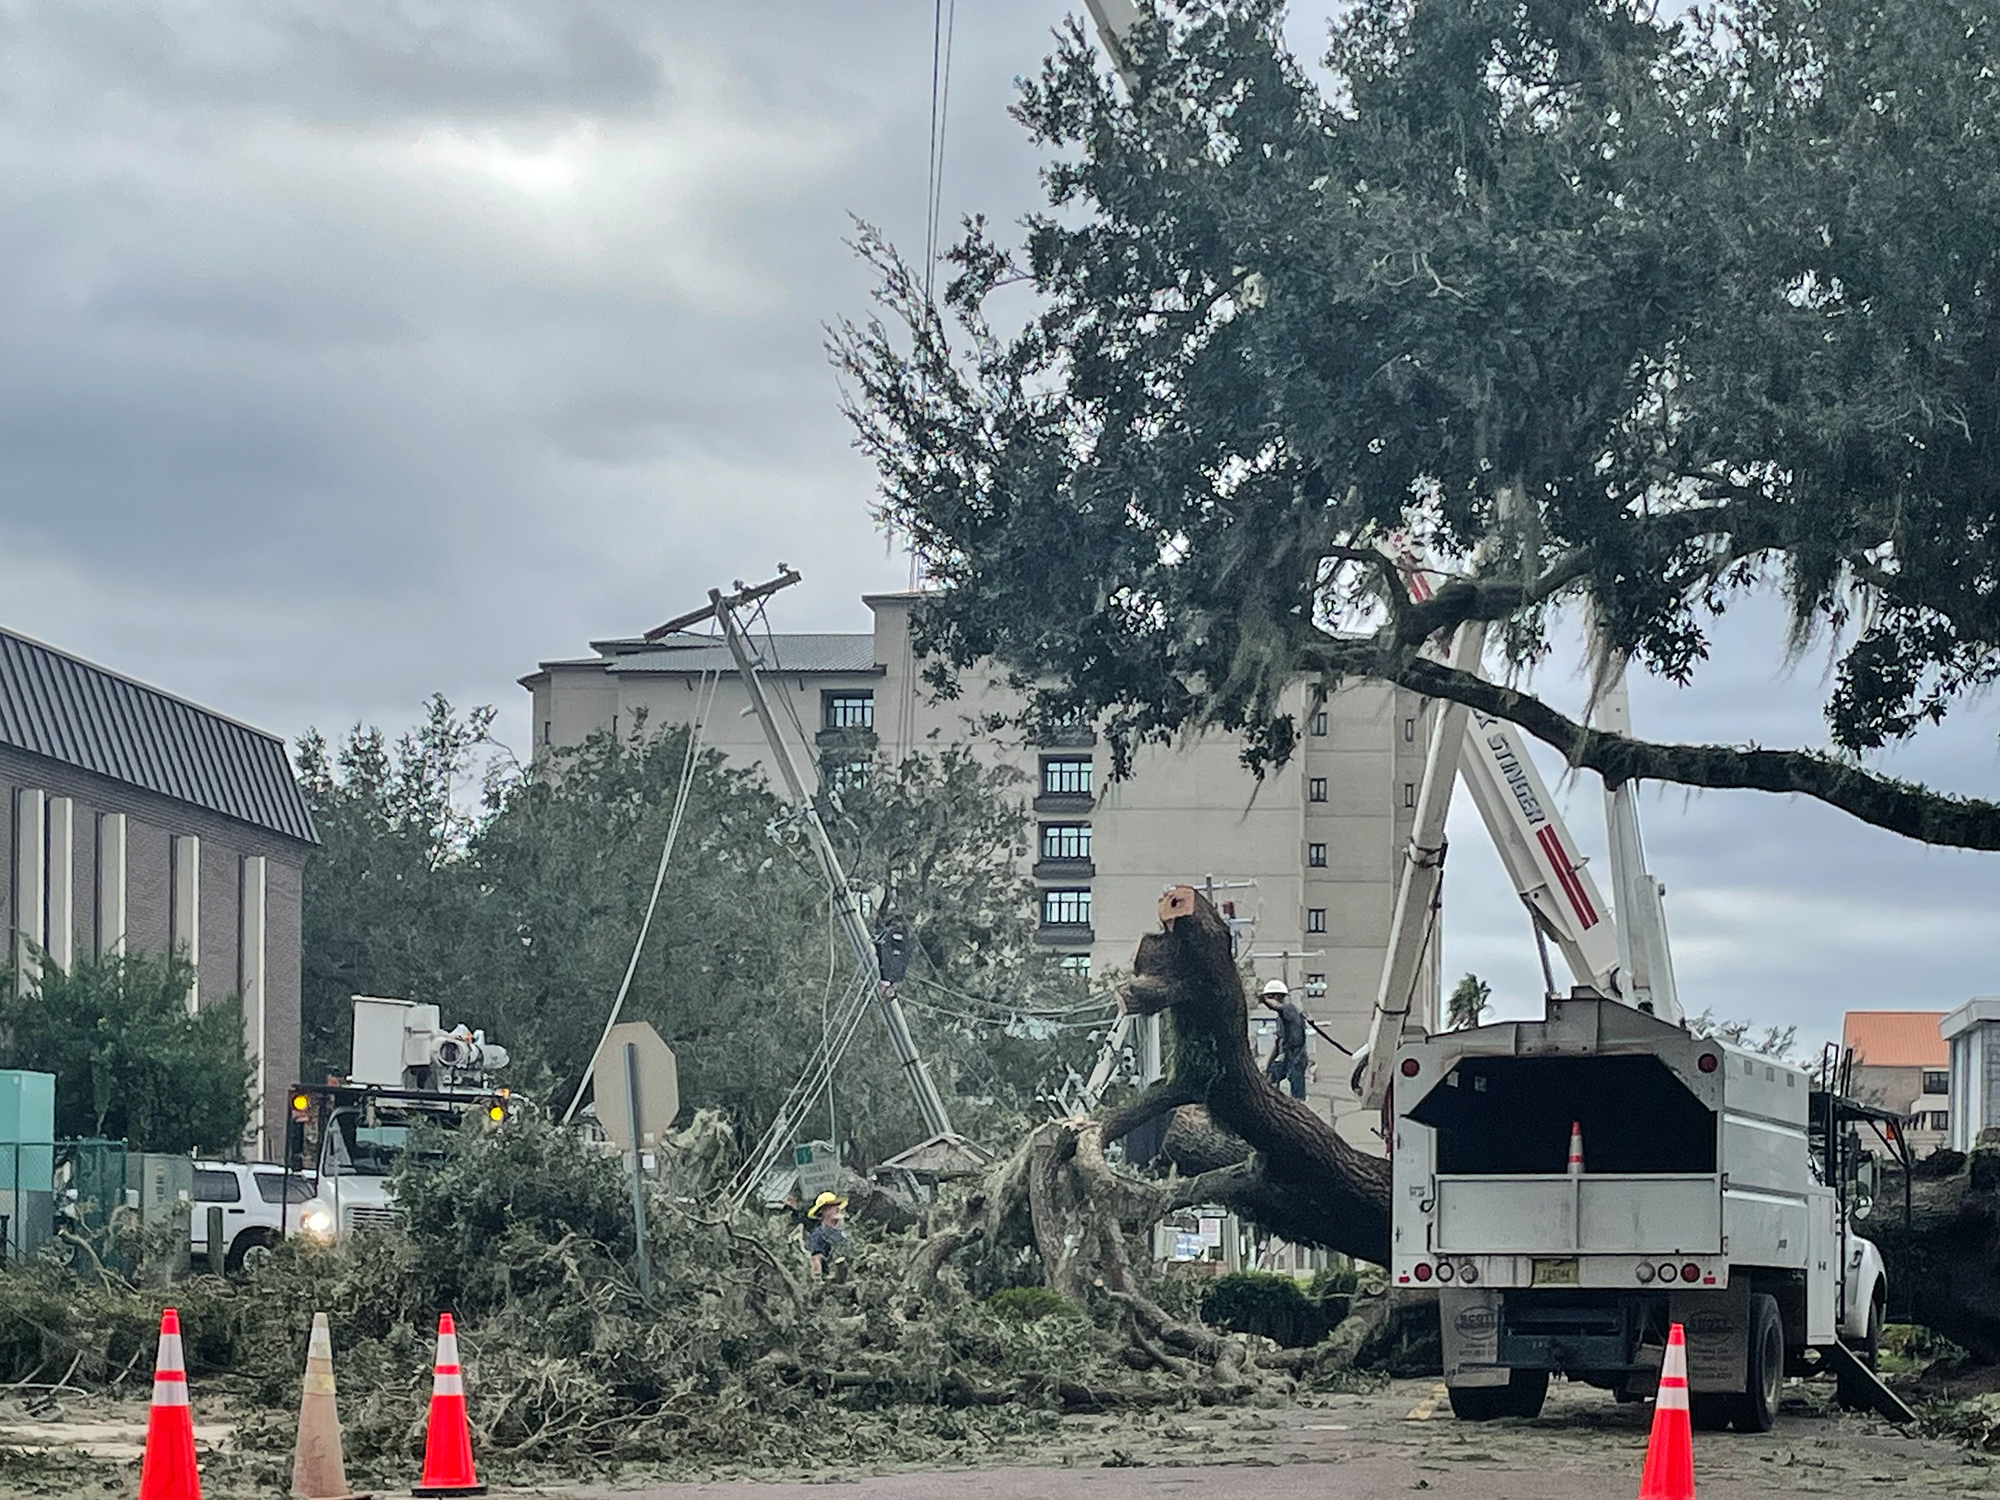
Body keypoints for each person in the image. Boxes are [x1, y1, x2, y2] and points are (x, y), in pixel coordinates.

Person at [1260, 978, 1309, 1100]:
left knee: (1296, 1086)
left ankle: (1299, 1106)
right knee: (1271, 1076)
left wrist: (1263, 999)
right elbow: (1278, 1043)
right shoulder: (1280, 1019)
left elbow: (1277, 1006)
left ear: (1277, 996)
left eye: (1270, 997)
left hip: (1297, 1054)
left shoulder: (1289, 1009)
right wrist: (1267, 1065)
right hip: (1286, 1054)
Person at [804, 1191, 847, 1277]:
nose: (838, 1208)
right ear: (823, 1211)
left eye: (838, 1205)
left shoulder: (849, 1228)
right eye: (832, 1206)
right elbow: (817, 1260)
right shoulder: (818, 1235)